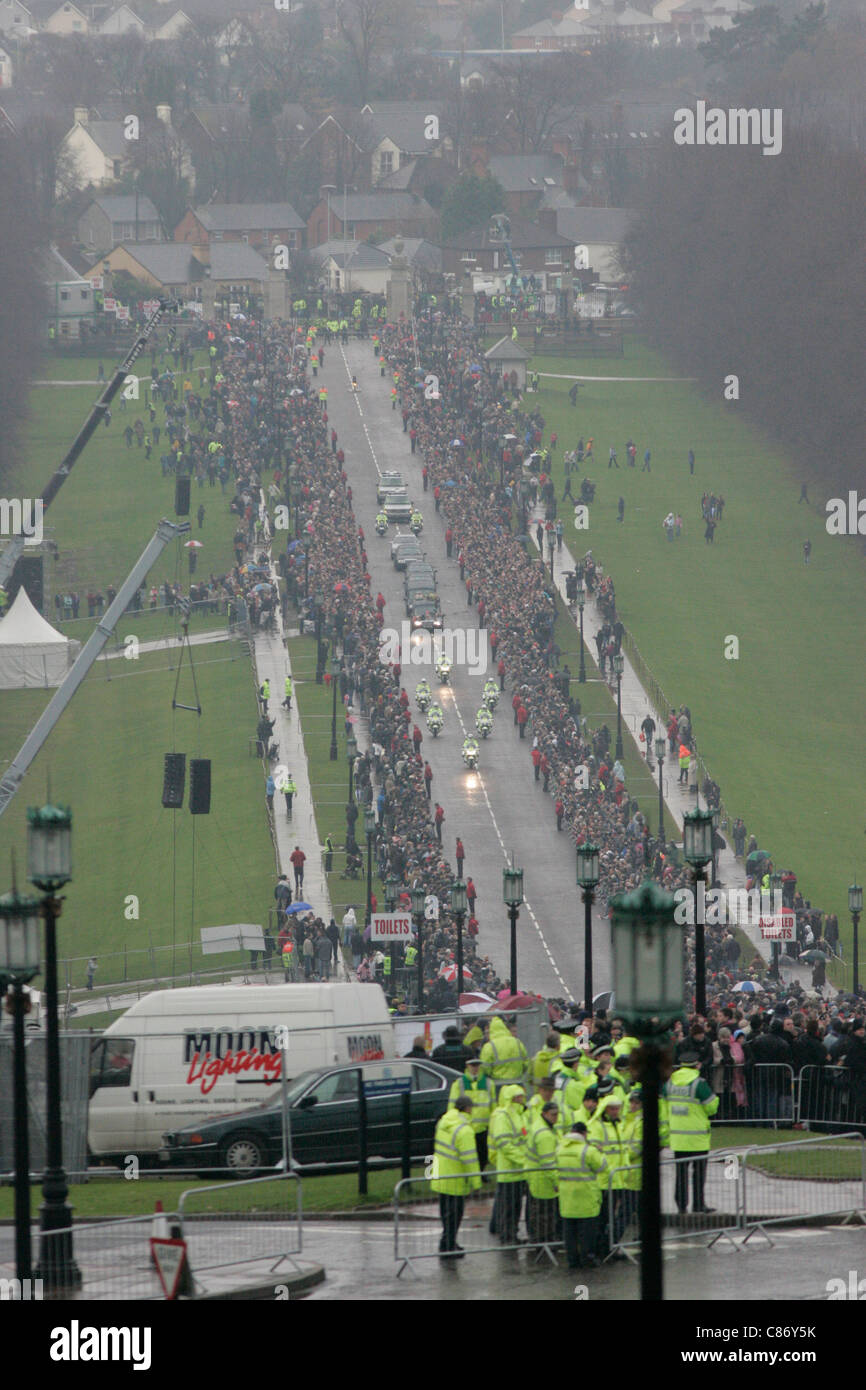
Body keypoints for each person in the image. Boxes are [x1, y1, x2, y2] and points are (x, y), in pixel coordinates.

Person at [663, 1045, 719, 1214]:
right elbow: (711, 1107)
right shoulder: (698, 1084)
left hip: (678, 1137)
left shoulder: (670, 1083)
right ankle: (699, 1204)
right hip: (697, 1138)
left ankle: (681, 1206)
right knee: (699, 1174)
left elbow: (664, 1103)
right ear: (697, 1065)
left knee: (681, 1174)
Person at [431, 1095, 481, 1257]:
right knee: (454, 1215)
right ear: (467, 1109)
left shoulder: (443, 1122)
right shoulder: (464, 1130)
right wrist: (477, 1183)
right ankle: (448, 1245)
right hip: (455, 1178)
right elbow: (470, 1159)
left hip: (440, 1174)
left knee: (445, 1213)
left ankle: (447, 1243)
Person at [556, 1121, 608, 1268]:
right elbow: (603, 1167)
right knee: (587, 1232)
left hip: (567, 1197)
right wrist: (600, 1152)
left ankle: (572, 1259)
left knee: (570, 1232)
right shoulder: (588, 1150)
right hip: (586, 1196)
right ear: (584, 1134)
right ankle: (588, 1258)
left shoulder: (560, 1149)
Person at [488, 1084, 529, 1245]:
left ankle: (513, 1234)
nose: (521, 1099)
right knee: (508, 1208)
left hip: (519, 1170)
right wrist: (523, 1160)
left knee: (516, 1207)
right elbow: (504, 1143)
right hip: (509, 1170)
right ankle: (507, 1236)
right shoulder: (502, 1116)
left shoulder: (520, 1115)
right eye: (518, 1097)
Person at [449, 1056, 494, 1170]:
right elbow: (452, 1104)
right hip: (466, 1125)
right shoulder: (459, 1083)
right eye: (472, 1065)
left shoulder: (488, 1083)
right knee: (467, 1153)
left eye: (477, 1065)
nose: (475, 1068)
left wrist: (493, 1122)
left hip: (483, 1127)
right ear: (467, 1066)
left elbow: (493, 1104)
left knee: (483, 1153)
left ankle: (481, 1173)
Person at [525, 1101, 560, 1244]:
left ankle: (540, 1241)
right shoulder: (544, 1134)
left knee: (539, 1212)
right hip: (543, 1178)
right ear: (544, 1114)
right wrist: (556, 1181)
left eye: (557, 1114)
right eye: (553, 1115)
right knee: (544, 1214)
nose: (556, 1117)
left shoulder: (540, 1127)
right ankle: (543, 1242)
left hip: (537, 1176)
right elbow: (548, 1162)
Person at [481, 1016, 529, 1096]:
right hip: (517, 1083)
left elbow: (485, 1068)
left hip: (498, 1086)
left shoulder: (489, 1046)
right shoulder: (517, 1042)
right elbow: (526, 1064)